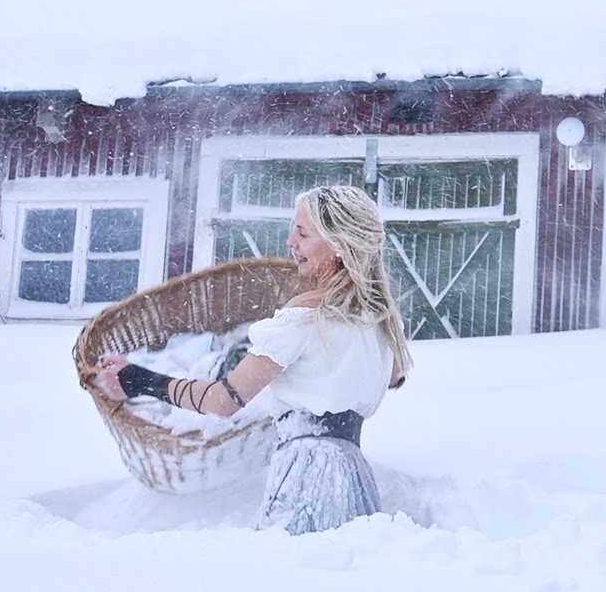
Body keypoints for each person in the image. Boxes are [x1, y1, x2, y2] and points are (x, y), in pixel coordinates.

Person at [96, 184, 413, 535]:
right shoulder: (383, 323)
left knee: (289, 575)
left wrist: (139, 380)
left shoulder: (304, 318)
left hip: (306, 473)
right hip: (353, 474)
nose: (290, 242)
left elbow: (223, 401)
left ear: (339, 246)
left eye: (303, 233)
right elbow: (392, 377)